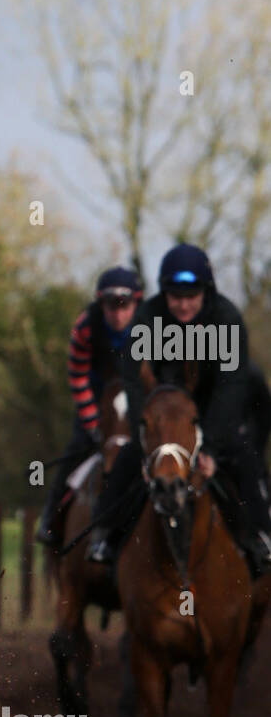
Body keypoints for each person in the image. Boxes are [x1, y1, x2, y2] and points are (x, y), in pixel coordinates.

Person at [87, 244, 271, 576]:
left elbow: (230, 391)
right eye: (175, 296)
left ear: (206, 292)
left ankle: (260, 536)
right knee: (128, 457)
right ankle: (106, 536)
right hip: (167, 408)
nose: (183, 304)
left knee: (244, 460)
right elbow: (131, 379)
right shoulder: (147, 318)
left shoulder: (227, 319)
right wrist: (145, 439)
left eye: (192, 295)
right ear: (164, 294)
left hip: (214, 408)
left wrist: (211, 448)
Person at [35, 266, 141, 547]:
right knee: (75, 451)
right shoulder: (85, 328)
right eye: (110, 306)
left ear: (136, 303)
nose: (117, 314)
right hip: (96, 401)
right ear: (100, 303)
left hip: (136, 404)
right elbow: (78, 377)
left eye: (124, 306)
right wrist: (94, 425)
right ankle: (50, 518)